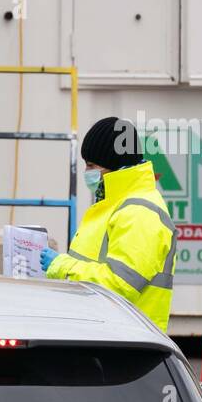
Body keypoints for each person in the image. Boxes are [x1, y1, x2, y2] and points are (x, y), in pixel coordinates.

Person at [40, 116, 176, 331]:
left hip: (126, 340)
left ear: (116, 165)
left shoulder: (139, 211)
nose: (87, 173)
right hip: (105, 333)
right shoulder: (115, 205)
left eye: (91, 165)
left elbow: (120, 285)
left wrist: (62, 266)